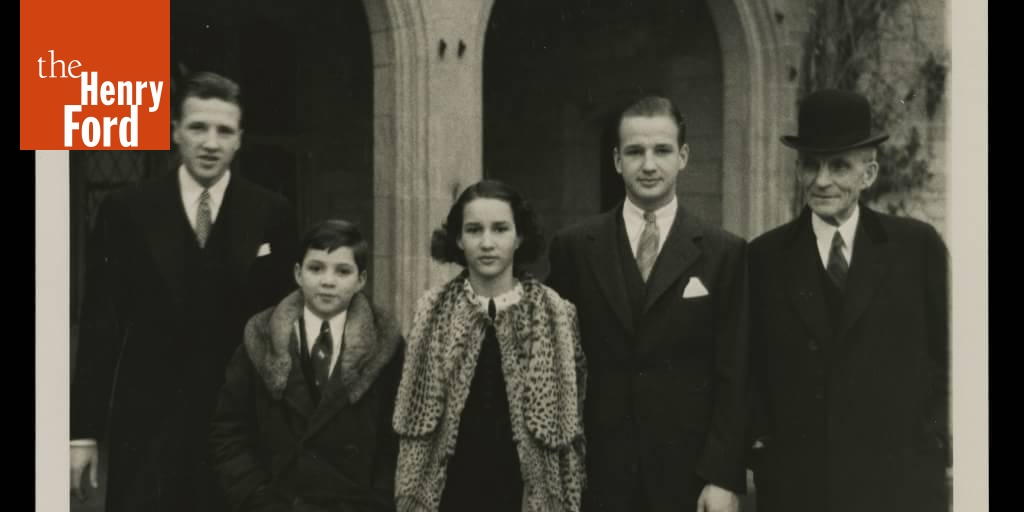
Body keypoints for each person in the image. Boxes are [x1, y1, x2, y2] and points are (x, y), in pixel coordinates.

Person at [69, 71, 298, 511]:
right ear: (175, 131)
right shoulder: (126, 210)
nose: (210, 143)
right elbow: (101, 327)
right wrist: (82, 434)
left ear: (239, 139)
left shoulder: (271, 212)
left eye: (224, 130)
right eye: (198, 127)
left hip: (237, 430)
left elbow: (283, 329)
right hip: (148, 427)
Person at [747, 88, 950, 512]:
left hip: (899, 482)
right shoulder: (765, 257)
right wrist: (764, 444)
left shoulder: (917, 247)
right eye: (811, 165)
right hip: (798, 486)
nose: (822, 181)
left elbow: (955, 354)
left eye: (839, 166)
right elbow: (749, 364)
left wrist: (935, 437)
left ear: (868, 174)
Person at [546, 95, 749, 512]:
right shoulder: (574, 248)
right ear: (617, 160)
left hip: (688, 480)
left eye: (662, 150)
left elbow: (736, 371)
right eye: (635, 152)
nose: (649, 165)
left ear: (684, 156)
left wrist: (723, 476)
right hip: (596, 477)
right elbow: (554, 363)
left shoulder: (724, 252)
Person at [392, 180, 587, 512]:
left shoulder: (555, 312)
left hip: (523, 493)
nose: (486, 243)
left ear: (519, 236)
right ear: (458, 238)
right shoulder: (433, 310)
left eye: (499, 229)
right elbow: (413, 428)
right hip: (451, 492)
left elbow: (574, 426)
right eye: (473, 230)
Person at [209, 219, 404, 511]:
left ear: (361, 280)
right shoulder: (260, 338)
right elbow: (228, 429)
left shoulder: (386, 346)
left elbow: (397, 438)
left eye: (342, 271)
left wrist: (377, 501)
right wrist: (256, 496)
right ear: (298, 274)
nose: (327, 281)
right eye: (316, 268)